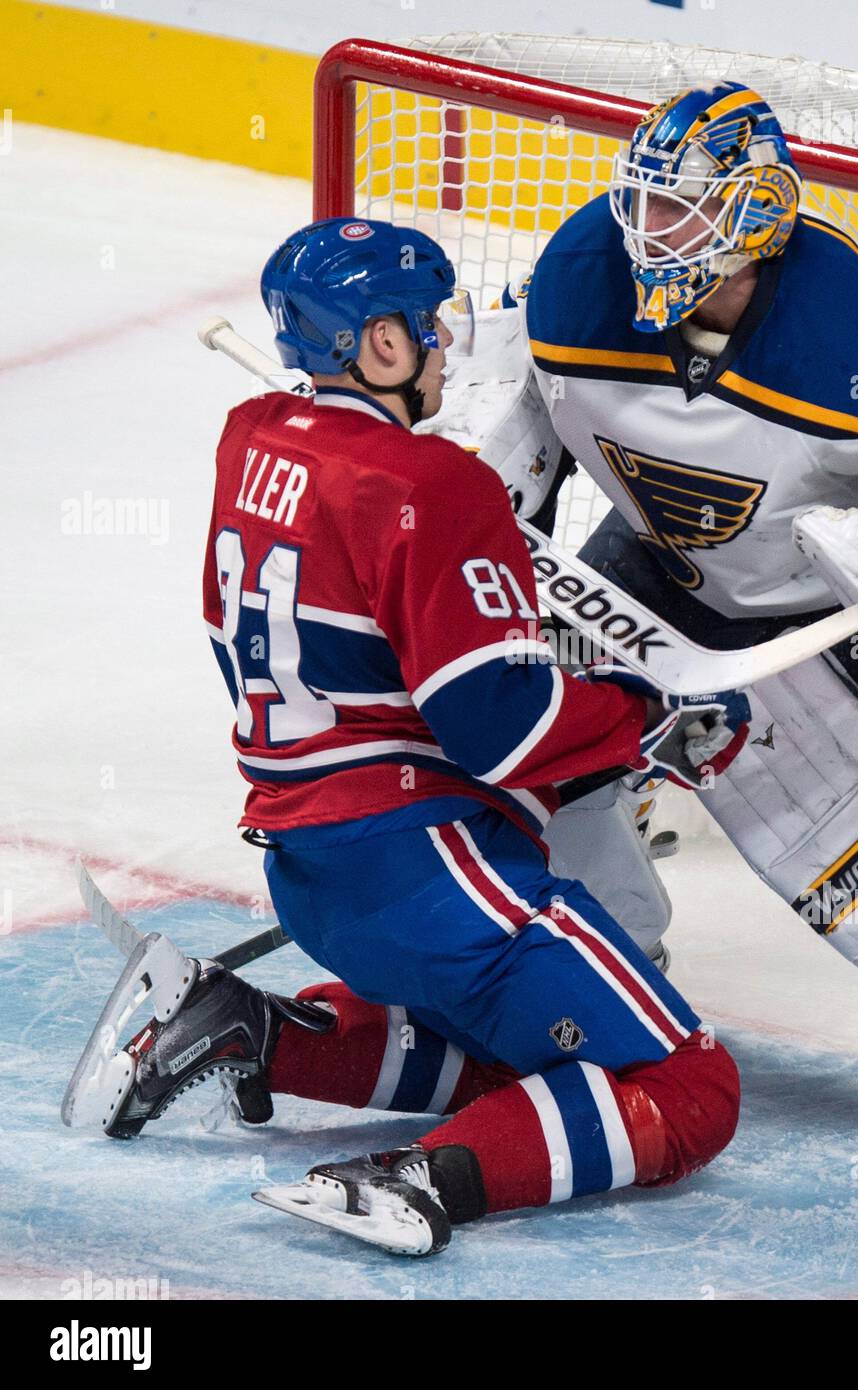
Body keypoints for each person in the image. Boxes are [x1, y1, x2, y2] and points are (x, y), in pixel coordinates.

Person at [107, 217, 745, 1257]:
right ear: (381, 344)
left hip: (313, 877)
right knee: (689, 1086)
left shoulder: (248, 435)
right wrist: (651, 717)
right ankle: (415, 1179)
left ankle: (245, 1028)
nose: (445, 340)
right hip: (434, 875)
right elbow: (503, 728)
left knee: (518, 1065)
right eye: (427, 322)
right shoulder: (434, 484)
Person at [513, 81, 858, 795]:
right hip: (667, 563)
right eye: (642, 199)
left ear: (757, 210)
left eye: (679, 205)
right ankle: (631, 783)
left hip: (839, 614)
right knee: (525, 725)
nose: (646, 229)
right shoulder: (578, 275)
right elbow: (508, 405)